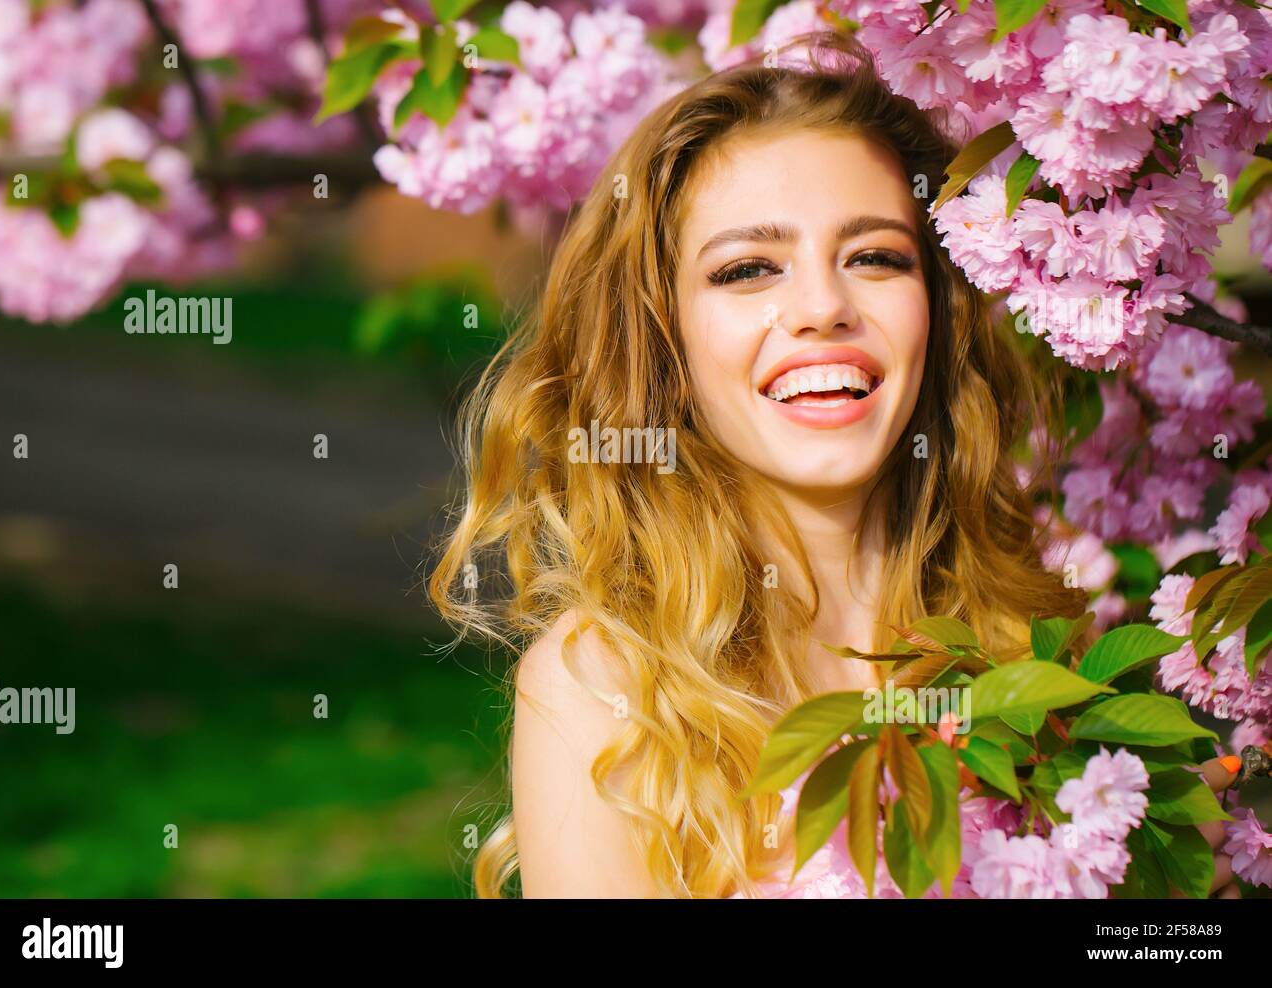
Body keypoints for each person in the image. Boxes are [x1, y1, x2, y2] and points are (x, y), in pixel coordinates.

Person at [428, 32, 1239, 899]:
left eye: (875, 258)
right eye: (747, 269)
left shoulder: (1029, 647)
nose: (822, 306)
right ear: (663, 340)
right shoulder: (609, 688)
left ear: (939, 307)